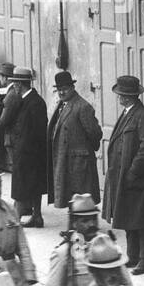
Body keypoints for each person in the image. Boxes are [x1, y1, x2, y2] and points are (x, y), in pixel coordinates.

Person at [104, 75, 144, 275]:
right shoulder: (128, 113)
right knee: (128, 216)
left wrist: (133, 171)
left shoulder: (142, 116)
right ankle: (133, 255)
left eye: (121, 94)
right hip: (124, 176)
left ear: (129, 97)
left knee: (142, 219)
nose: (118, 97)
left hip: (137, 177)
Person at [0, 67, 48, 226]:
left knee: (22, 184)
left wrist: (25, 149)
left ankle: (18, 218)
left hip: (29, 151)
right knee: (33, 184)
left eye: (15, 84)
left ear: (20, 85)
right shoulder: (27, 100)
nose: (13, 86)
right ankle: (37, 216)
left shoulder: (34, 102)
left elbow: (36, 130)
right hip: (28, 149)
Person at [46, 69, 102, 216]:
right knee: (71, 196)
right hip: (66, 159)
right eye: (59, 90)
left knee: (81, 196)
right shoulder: (62, 105)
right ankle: (76, 223)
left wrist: (85, 151)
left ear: (72, 88)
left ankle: (85, 224)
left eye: (65, 89)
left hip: (78, 162)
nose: (62, 93)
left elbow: (95, 133)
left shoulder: (82, 107)